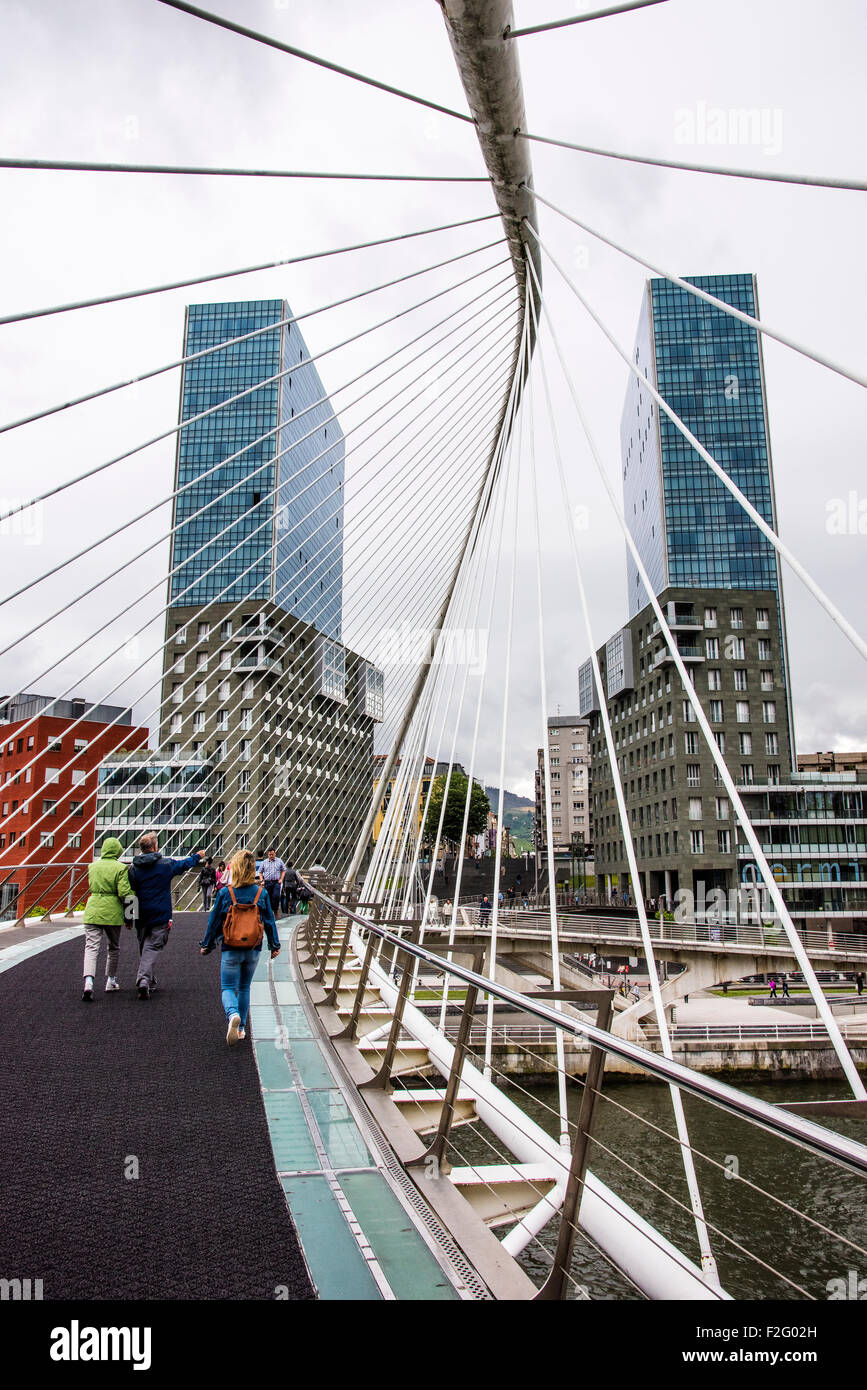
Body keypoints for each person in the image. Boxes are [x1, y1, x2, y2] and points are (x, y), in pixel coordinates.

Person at [200, 848, 280, 1045]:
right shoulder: (261, 893)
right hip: (253, 947)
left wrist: (207, 944)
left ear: (234, 868)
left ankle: (232, 1014)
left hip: (231, 946)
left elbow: (214, 922)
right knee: (245, 987)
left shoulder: (226, 893)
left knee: (228, 987)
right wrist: (274, 945)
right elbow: (269, 920)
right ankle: (242, 1028)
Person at [128, 833, 204, 1000]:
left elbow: (130, 891)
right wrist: (197, 856)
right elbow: (183, 865)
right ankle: (143, 980)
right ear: (155, 847)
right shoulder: (165, 865)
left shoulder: (133, 869)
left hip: (141, 914)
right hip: (160, 913)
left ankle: (149, 980)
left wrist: (128, 916)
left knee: (145, 946)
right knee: (153, 946)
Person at [80, 836, 133, 1001]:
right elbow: (125, 893)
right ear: (118, 851)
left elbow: (92, 886)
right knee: (113, 947)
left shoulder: (92, 866)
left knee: (91, 947)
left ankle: (88, 982)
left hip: (93, 910)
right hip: (112, 912)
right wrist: (130, 917)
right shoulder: (121, 868)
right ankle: (110, 980)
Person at [258, 846, 286, 919]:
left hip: (276, 882)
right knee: (268, 897)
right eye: (269, 854)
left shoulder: (279, 861)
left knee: (276, 896)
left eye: (272, 854)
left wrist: (281, 879)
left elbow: (284, 870)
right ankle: (269, 912)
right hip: (267, 882)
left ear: (275, 854)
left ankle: (276, 911)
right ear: (268, 854)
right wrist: (262, 880)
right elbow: (260, 872)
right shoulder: (264, 862)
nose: (271, 856)